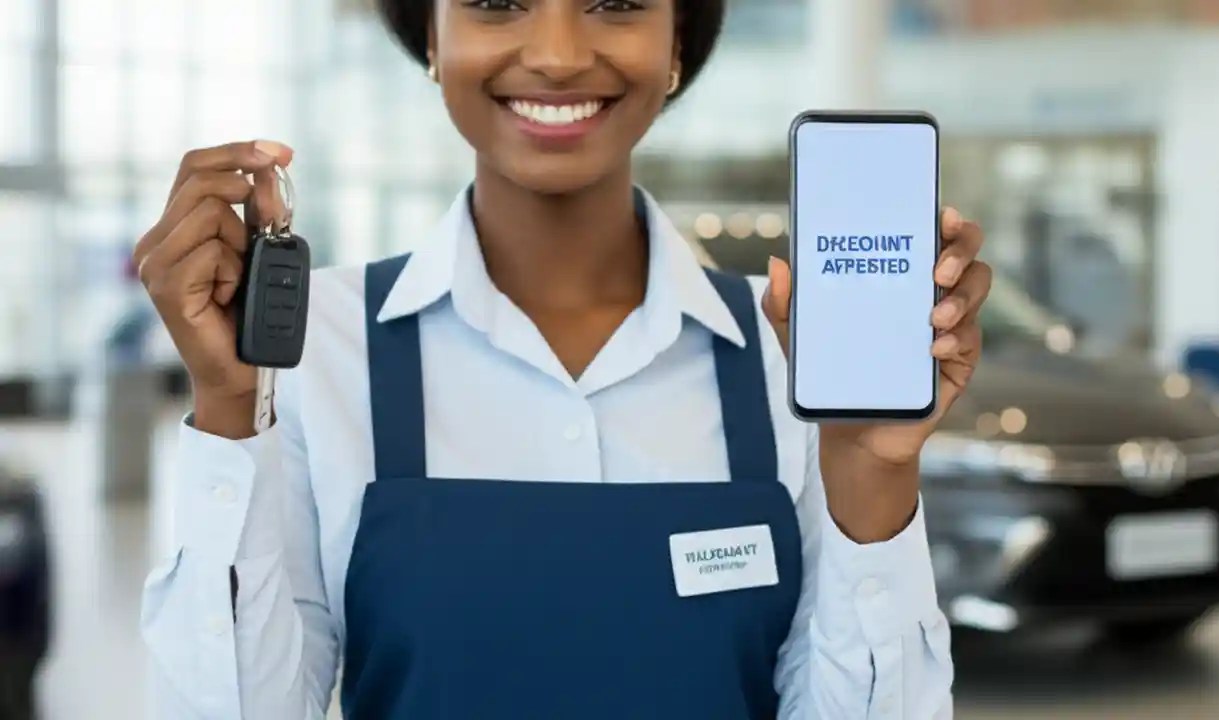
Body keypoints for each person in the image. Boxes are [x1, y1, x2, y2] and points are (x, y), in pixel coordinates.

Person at [137, 1, 992, 718]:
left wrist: (871, 474)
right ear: (431, 38)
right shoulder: (316, 345)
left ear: (677, 46)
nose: (555, 53)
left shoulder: (785, 357)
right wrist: (228, 409)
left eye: (616, 1)